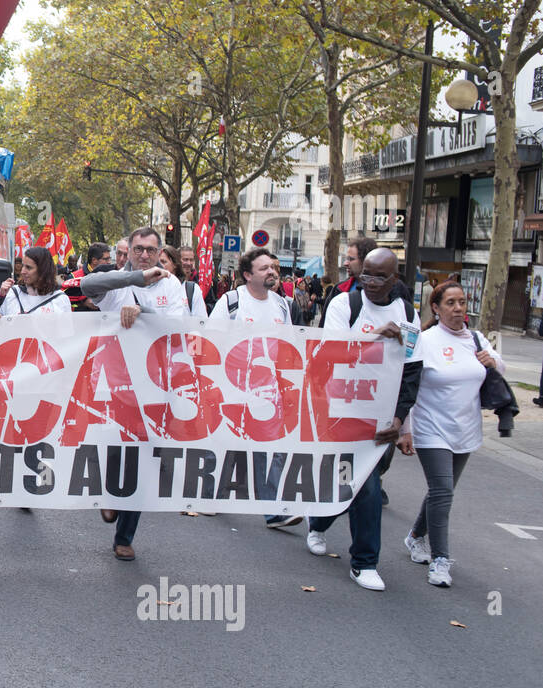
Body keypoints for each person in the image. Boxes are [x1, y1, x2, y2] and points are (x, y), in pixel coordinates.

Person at [306, 248, 421, 591]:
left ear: (394, 279)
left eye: (378, 277)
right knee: (364, 486)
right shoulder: (345, 304)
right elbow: (329, 352)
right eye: (364, 275)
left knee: (357, 485)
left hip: (381, 421)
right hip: (341, 413)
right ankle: (363, 560)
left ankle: (323, 526)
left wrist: (400, 421)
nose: (368, 283)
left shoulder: (407, 313)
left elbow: (413, 371)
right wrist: (373, 339)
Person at [397, 281, 503, 588]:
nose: (459, 308)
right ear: (436, 307)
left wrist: (492, 361)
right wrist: (406, 428)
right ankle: (440, 561)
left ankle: (416, 535)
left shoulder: (478, 338)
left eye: (463, 302)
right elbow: (408, 384)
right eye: (451, 303)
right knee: (443, 493)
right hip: (431, 429)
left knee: (441, 492)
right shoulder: (424, 340)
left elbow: (500, 369)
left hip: (465, 429)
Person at [90, 227, 186, 559]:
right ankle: (111, 494)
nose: (144, 254)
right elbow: (84, 289)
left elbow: (176, 325)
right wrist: (130, 280)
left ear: (161, 253)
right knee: (118, 448)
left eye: (150, 250)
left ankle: (124, 537)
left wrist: (142, 312)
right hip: (116, 380)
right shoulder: (117, 280)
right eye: (138, 249)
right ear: (128, 250)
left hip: (156, 383)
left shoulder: (172, 285)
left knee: (144, 460)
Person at [209, 247, 303, 530]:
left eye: (273, 267)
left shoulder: (282, 305)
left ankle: (274, 510)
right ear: (248, 275)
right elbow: (212, 341)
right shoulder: (231, 301)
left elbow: (288, 345)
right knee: (226, 446)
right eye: (264, 268)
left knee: (267, 447)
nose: (272, 272)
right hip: (231, 387)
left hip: (267, 391)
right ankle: (213, 496)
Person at [0, 246, 71, 316]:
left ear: (43, 270)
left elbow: (66, 328)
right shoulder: (11, 294)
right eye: (23, 266)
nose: (22, 271)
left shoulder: (60, 299)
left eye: (28, 267)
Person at [159, 244, 207, 318]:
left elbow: (200, 323)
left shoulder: (192, 290)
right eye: (157, 263)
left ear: (174, 264)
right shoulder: (148, 288)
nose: (159, 266)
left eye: (163, 262)